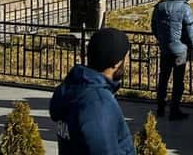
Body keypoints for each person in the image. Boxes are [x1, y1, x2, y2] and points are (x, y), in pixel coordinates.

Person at [49, 27, 137, 155]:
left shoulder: (74, 88)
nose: (128, 62)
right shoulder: (97, 101)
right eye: (126, 57)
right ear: (116, 63)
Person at [150, 0, 193, 120]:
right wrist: (190, 43)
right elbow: (190, 31)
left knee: (163, 78)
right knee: (178, 81)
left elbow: (154, 26)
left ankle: (160, 107)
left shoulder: (160, 7)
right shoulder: (185, 8)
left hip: (165, 48)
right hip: (180, 49)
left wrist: (162, 40)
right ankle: (174, 109)